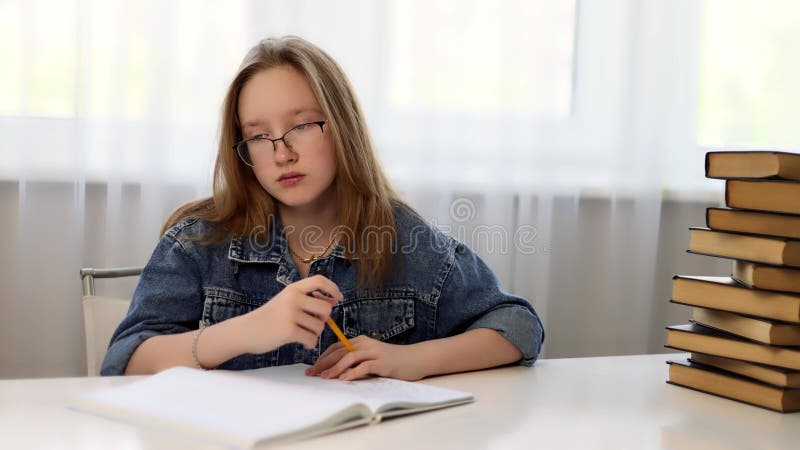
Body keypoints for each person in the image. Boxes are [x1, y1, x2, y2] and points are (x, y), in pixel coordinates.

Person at [101, 36, 544, 381]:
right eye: (259, 136)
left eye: (302, 126)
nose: (282, 152)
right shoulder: (199, 241)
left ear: (342, 126)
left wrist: (413, 359)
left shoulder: (401, 238)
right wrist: (248, 330)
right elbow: (125, 361)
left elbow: (519, 327)